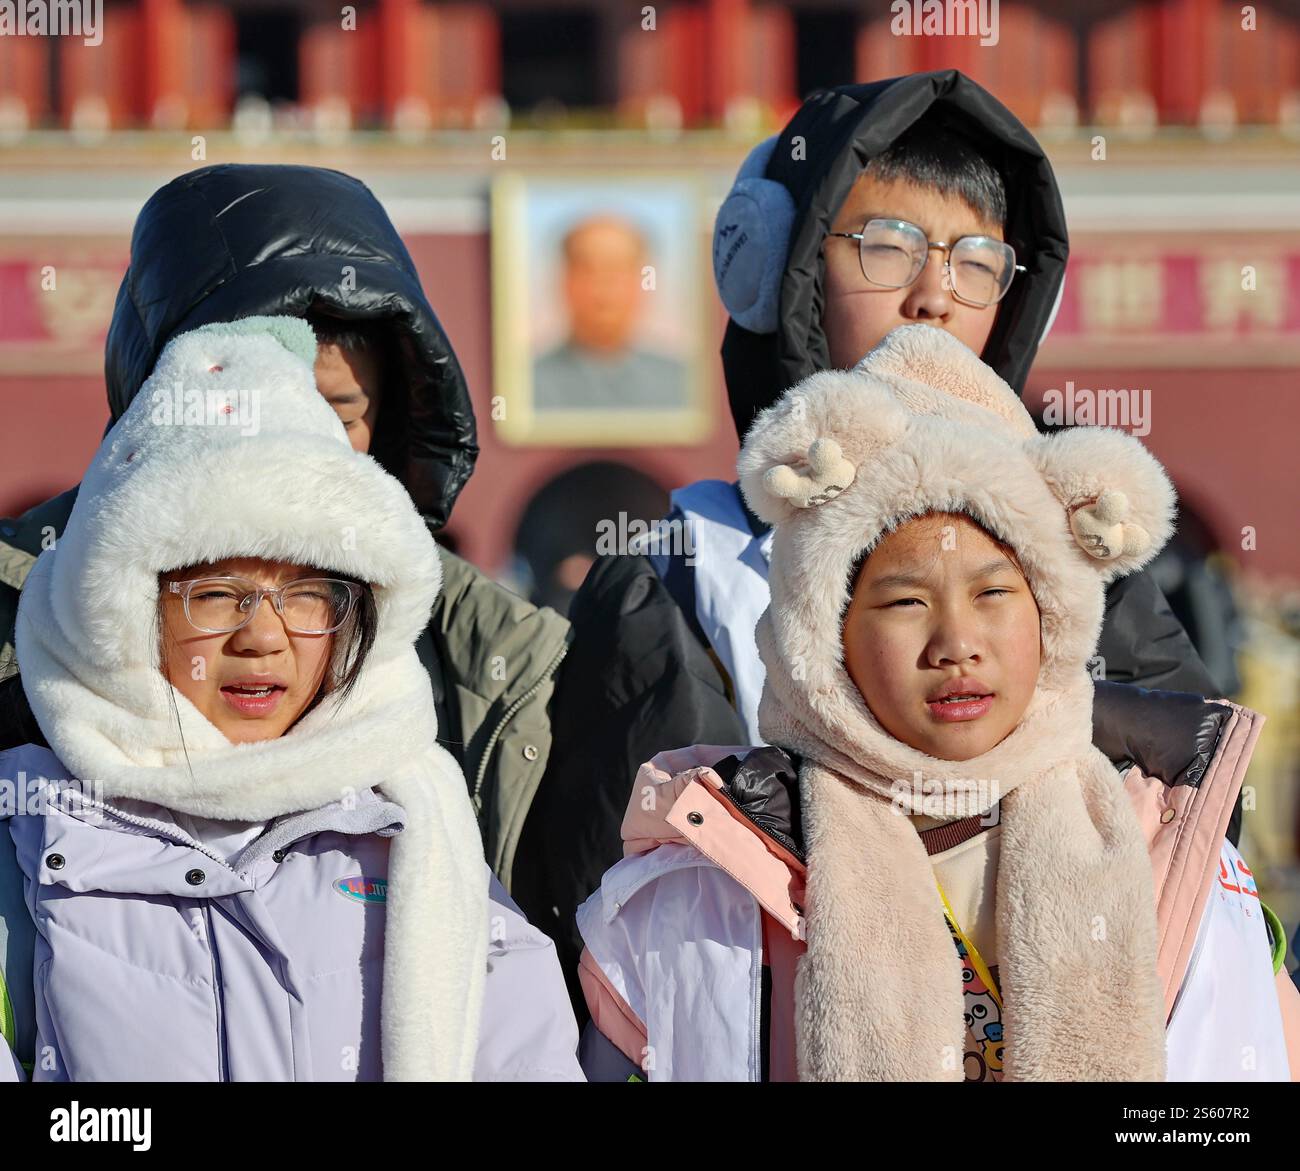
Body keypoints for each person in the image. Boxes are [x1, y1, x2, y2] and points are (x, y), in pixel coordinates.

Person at [516, 72, 1225, 1012]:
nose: (936, 294)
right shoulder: (685, 573)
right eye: (888, 247)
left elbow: (1200, 841)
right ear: (785, 270)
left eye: (977, 260)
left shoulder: (1079, 554)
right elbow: (610, 910)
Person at [575, 324, 1298, 1081]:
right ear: (824, 638)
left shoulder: (1173, 866)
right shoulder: (694, 899)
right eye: (904, 601)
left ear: (1053, 615)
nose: (957, 641)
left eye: (993, 592)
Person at [0, 318, 581, 1081]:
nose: (264, 637)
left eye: (308, 594)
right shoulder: (25, 833)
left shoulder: (419, 833)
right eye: (215, 593)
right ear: (130, 611)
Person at [0, 164, 569, 898]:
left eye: (337, 414)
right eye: (256, 401)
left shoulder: (485, 647)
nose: (296, 436)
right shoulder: (26, 608)